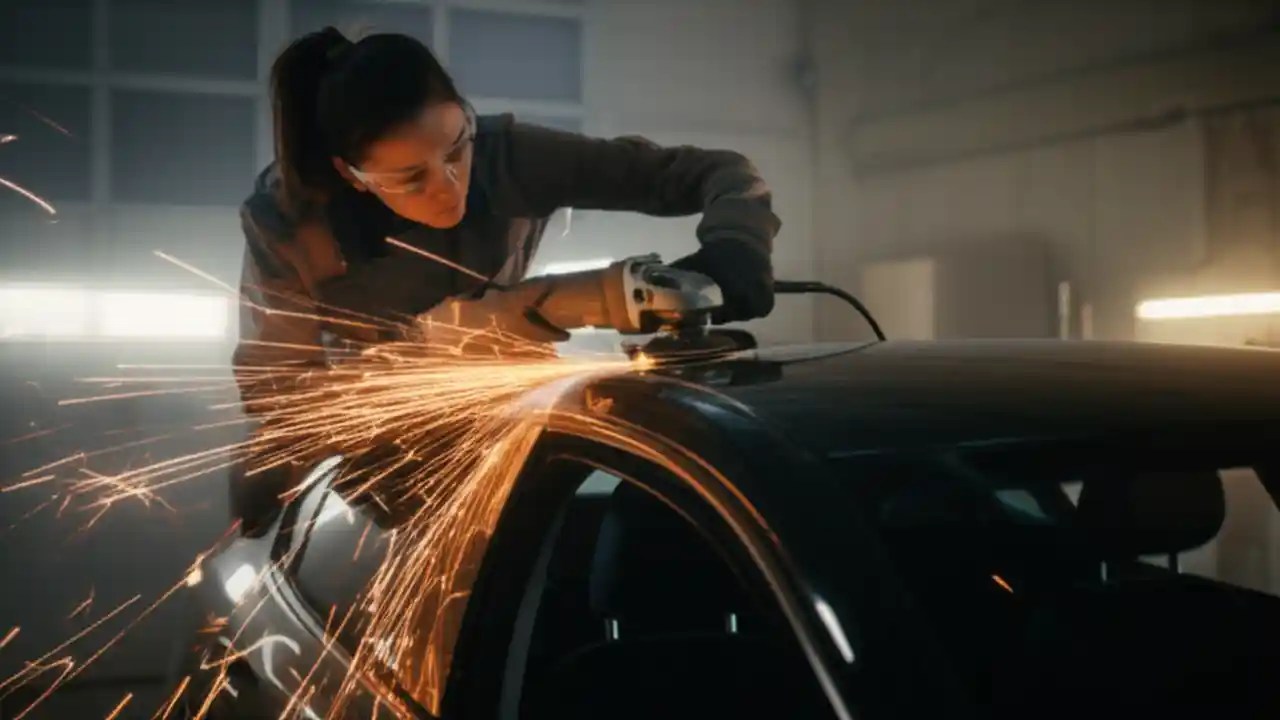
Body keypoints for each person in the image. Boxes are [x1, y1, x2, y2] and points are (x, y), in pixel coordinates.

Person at [230, 27, 780, 533]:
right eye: (411, 177)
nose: (449, 187)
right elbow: (281, 401)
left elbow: (725, 173)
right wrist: (477, 326)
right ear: (352, 175)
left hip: (492, 404)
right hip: (375, 451)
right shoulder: (291, 222)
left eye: (456, 148)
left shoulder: (509, 158)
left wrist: (739, 240)